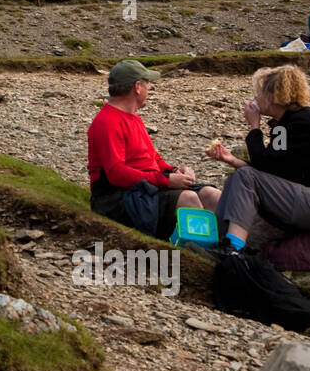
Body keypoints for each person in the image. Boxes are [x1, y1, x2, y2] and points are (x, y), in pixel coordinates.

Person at [205, 65, 310, 250]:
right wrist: (231, 160)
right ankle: (216, 240)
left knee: (244, 177)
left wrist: (254, 127)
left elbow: (262, 166)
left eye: (259, 93)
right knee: (236, 178)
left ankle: (232, 248)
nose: (255, 98)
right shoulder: (287, 123)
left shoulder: (299, 123)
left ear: (273, 96)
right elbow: (272, 169)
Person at [87, 59, 220, 240]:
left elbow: (152, 158)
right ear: (137, 87)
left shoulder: (134, 119)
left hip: (146, 186)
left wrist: (173, 171)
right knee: (188, 199)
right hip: (115, 198)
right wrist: (166, 181)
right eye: (147, 83)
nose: (149, 89)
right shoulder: (107, 122)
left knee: (213, 196)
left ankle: (223, 248)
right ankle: (196, 252)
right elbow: (116, 173)